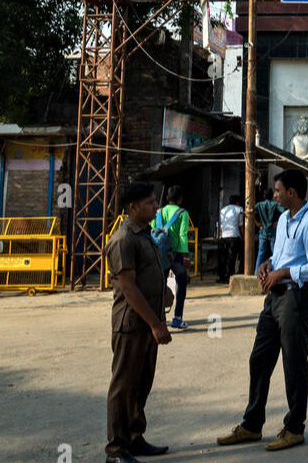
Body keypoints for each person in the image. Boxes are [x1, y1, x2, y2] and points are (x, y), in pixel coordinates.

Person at [217, 169, 308, 452]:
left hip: (296, 298)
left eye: (278, 191)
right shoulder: (282, 221)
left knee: (294, 363)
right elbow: (278, 256)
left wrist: (283, 274)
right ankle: (252, 424)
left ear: (292, 192)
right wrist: (267, 265)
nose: (274, 195)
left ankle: (294, 428)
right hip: (274, 299)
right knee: (259, 359)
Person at [105, 181, 172, 463]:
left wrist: (164, 294)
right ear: (133, 208)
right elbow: (129, 287)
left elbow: (149, 274)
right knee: (124, 387)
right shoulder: (123, 239)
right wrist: (156, 324)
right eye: (150, 202)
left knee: (142, 383)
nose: (155, 206)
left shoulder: (145, 235)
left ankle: (134, 437)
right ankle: (116, 450)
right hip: (132, 324)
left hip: (147, 321)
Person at [157, 185, 191, 330]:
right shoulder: (183, 213)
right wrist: (185, 255)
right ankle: (177, 318)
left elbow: (153, 230)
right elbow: (183, 235)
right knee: (181, 283)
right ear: (180, 199)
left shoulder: (159, 212)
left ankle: (160, 320)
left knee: (160, 287)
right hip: (176, 255)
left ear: (167, 198)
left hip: (160, 255)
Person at [255, 186, 283, 268]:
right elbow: (285, 211)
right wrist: (278, 222)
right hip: (273, 232)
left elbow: (250, 212)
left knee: (261, 253)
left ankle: (256, 272)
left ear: (264, 196)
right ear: (272, 196)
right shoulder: (275, 205)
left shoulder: (259, 205)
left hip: (263, 231)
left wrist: (256, 222)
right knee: (274, 253)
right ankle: (275, 270)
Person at [217, 194, 244, 283]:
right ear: (237, 202)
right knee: (231, 258)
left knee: (223, 257)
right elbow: (240, 225)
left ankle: (221, 276)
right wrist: (243, 236)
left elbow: (221, 226)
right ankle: (229, 276)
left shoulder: (223, 210)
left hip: (224, 237)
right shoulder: (239, 209)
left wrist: (220, 236)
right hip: (234, 236)